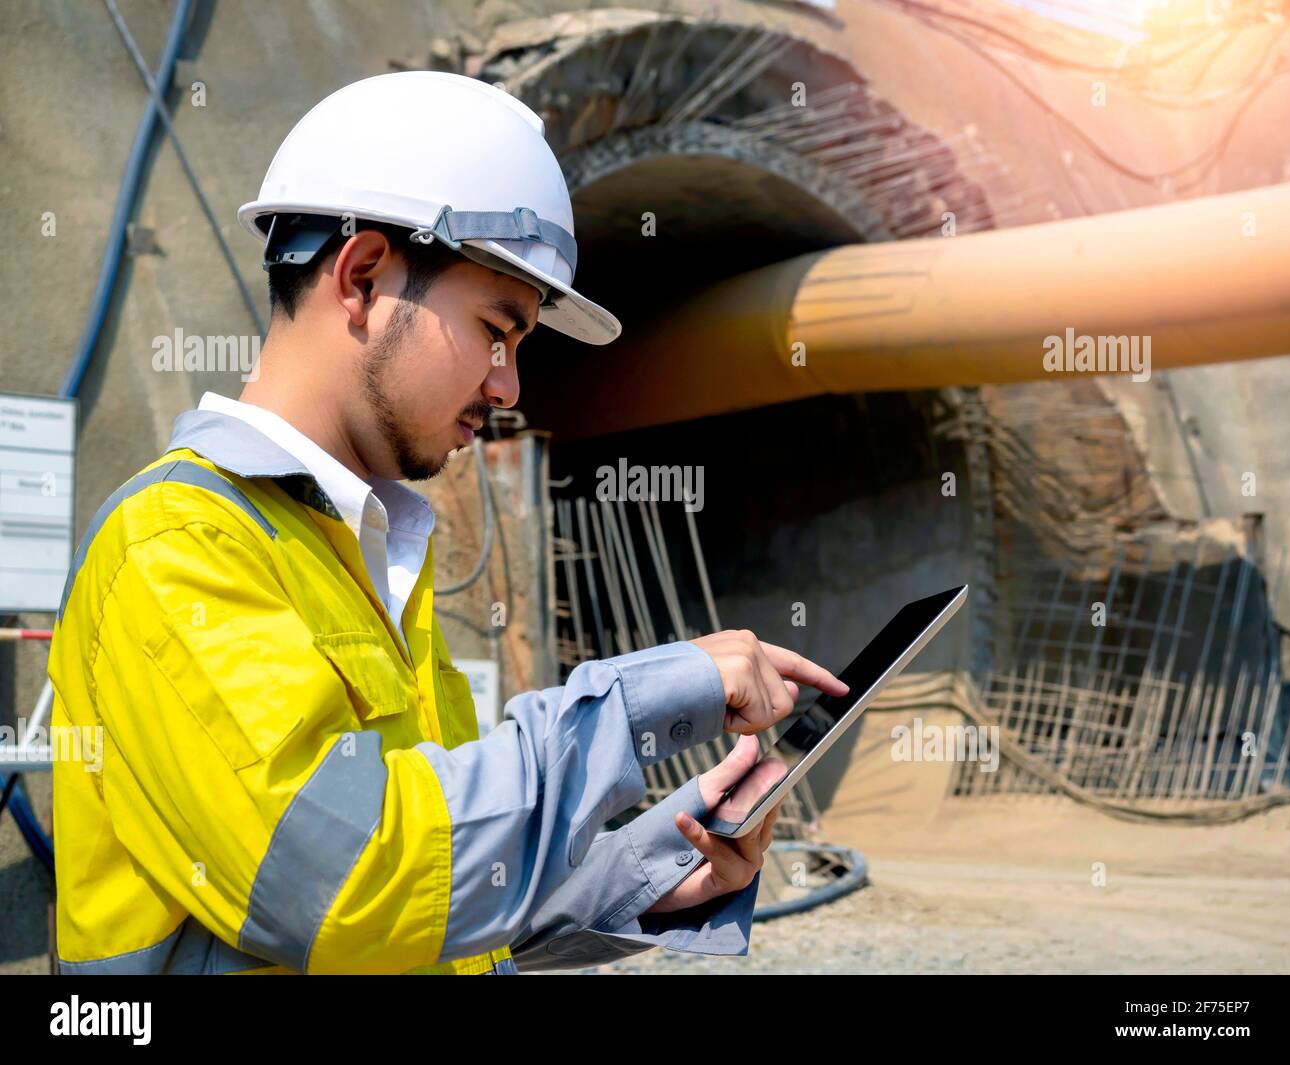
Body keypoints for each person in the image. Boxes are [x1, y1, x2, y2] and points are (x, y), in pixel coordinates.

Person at [48, 72, 847, 974]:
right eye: (496, 329)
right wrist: (632, 706)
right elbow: (346, 883)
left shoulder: (367, 552)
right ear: (361, 278)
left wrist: (646, 871)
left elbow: (436, 892)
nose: (508, 386)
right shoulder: (176, 547)